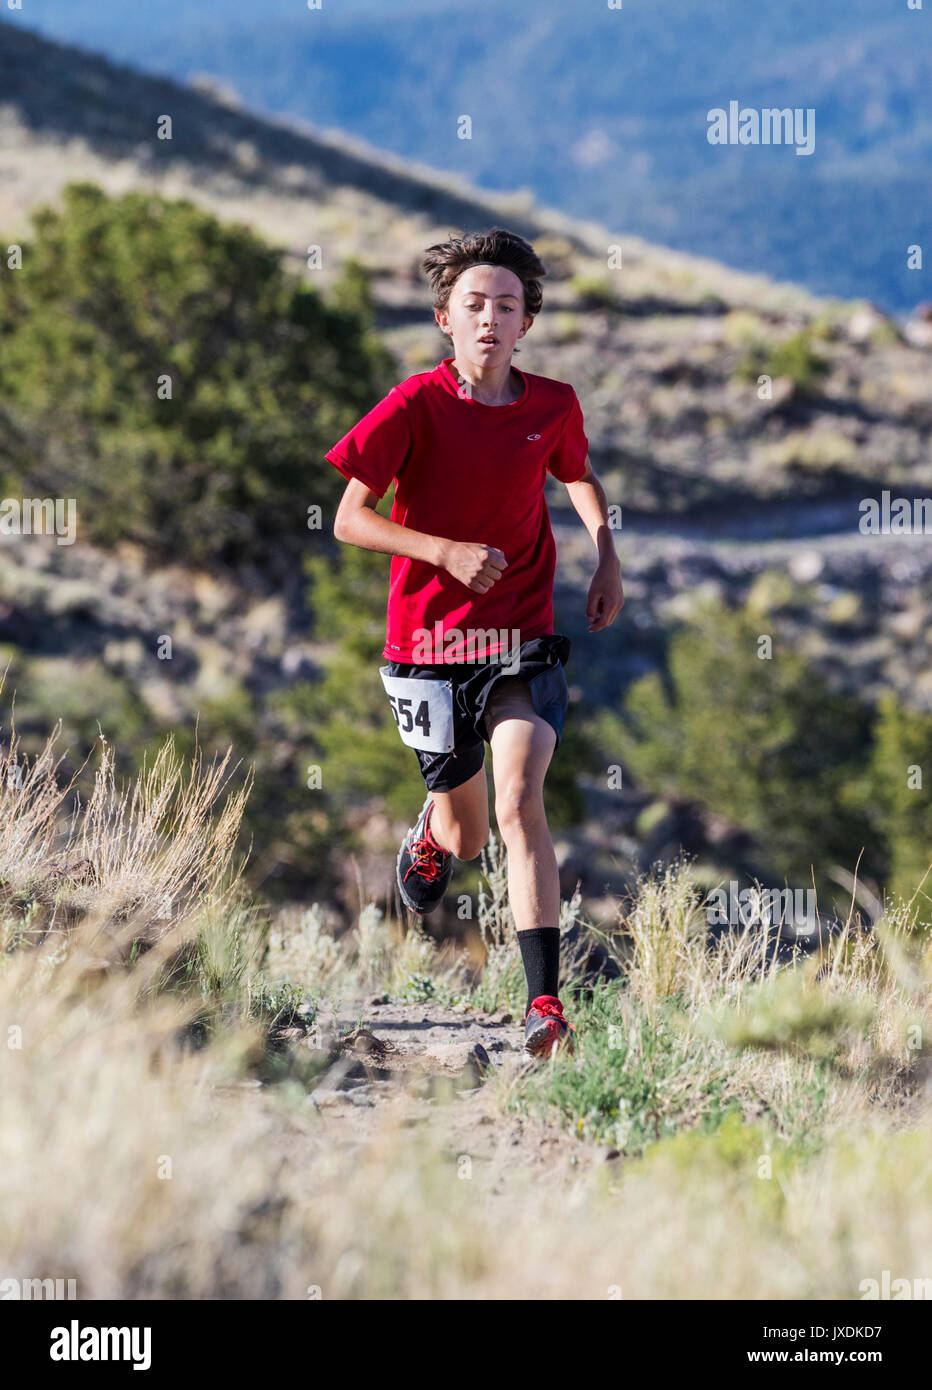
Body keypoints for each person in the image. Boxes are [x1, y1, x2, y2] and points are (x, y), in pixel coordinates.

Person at [325, 226, 624, 1058]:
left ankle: (545, 1006)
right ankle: (429, 831)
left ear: (527, 322)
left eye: (508, 306)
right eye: (474, 305)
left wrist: (607, 555)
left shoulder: (552, 404)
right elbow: (349, 518)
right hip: (426, 645)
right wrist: (441, 551)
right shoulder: (412, 406)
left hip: (522, 635)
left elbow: (577, 475)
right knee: (465, 836)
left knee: (518, 801)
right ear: (444, 319)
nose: (491, 319)